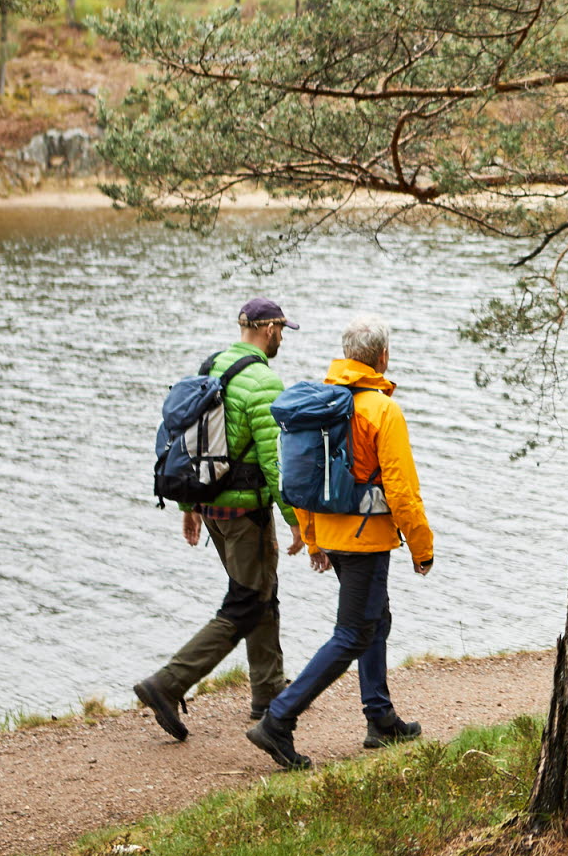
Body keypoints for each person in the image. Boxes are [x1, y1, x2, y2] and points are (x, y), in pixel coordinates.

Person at [246, 314, 434, 770]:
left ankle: (380, 716)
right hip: (366, 539)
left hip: (332, 534)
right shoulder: (381, 411)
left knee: (375, 618)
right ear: (382, 358)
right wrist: (421, 545)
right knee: (352, 632)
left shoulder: (323, 405)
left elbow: (302, 479)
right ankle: (279, 719)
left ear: (350, 356)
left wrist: (313, 539)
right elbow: (401, 487)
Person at [133, 298, 305, 740]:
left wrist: (189, 508)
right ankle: (167, 683)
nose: (283, 337)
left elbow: (186, 441)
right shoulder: (264, 382)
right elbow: (275, 462)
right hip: (244, 510)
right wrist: (296, 520)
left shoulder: (211, 367)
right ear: (267, 329)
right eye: (282, 329)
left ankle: (269, 692)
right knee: (246, 602)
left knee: (260, 588)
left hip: (210, 507)